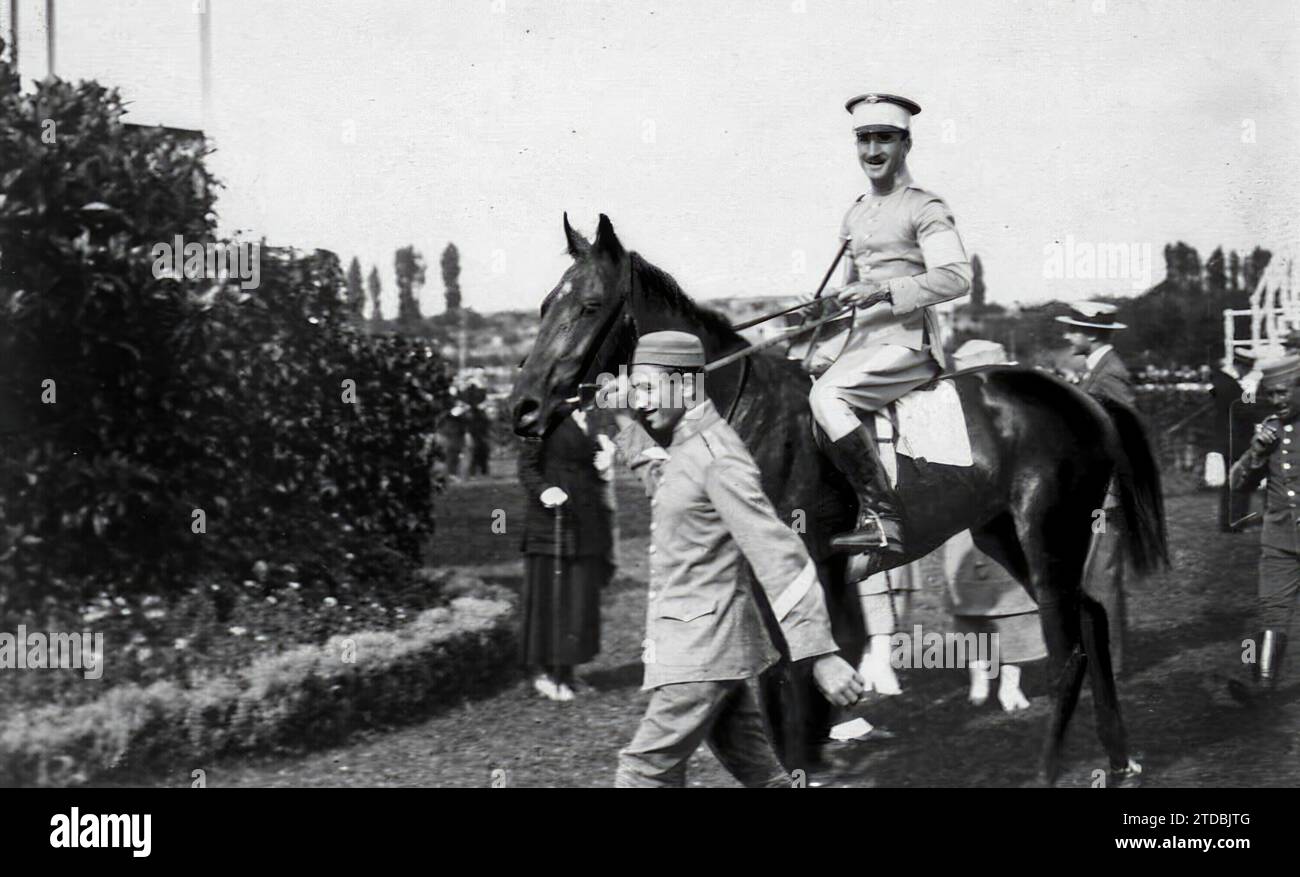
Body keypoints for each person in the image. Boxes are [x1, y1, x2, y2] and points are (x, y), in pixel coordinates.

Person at [609, 330, 862, 787]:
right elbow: (667, 485)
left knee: (643, 770)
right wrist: (624, 424)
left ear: (686, 387)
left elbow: (778, 552)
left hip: (701, 650)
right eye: (635, 388)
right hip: (709, 647)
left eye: (647, 388)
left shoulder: (718, 457)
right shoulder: (691, 445)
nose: (639, 399)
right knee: (762, 775)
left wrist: (819, 651)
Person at [806, 93, 971, 563]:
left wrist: (882, 290)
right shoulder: (855, 213)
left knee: (827, 398)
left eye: (884, 139)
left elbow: (957, 277)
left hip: (906, 345)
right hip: (860, 346)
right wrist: (825, 334)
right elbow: (846, 298)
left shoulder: (925, 207)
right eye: (864, 140)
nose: (872, 151)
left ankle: (884, 517)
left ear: (906, 144)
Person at [516, 399, 616, 701]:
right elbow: (527, 468)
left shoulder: (596, 416)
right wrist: (546, 490)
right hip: (551, 524)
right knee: (552, 599)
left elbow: (594, 466)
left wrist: (605, 464)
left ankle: (569, 670)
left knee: (579, 599)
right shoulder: (542, 416)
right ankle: (545, 673)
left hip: (586, 521)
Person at [1056, 300, 1135, 674]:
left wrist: (1112, 494)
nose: (1067, 335)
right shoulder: (1098, 370)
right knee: (1090, 575)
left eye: (1072, 329)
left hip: (1106, 496)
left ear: (1089, 334)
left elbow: (1122, 437)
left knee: (1100, 576)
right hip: (1096, 493)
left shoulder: (1110, 375)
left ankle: (1109, 663)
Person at [1227, 355, 1300, 706]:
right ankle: (1262, 685)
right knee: (1272, 608)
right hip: (1280, 539)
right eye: (1270, 395)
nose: (1276, 401)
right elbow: (1237, 482)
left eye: (1283, 393)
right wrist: (1257, 451)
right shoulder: (1270, 430)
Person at [1210, 348, 1259, 531]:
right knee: (1239, 479)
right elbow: (1244, 411)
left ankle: (1229, 521)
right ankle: (1235, 522)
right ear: (1242, 365)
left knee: (1232, 481)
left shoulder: (1223, 381)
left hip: (1229, 439)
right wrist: (1252, 400)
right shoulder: (1232, 386)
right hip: (1237, 439)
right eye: (1247, 369)